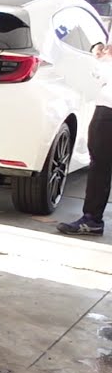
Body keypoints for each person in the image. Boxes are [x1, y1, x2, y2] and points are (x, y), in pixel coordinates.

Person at [58, 42, 112, 237]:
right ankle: (92, 219)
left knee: (100, 163)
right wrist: (100, 53)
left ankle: (92, 219)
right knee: (99, 162)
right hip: (107, 103)